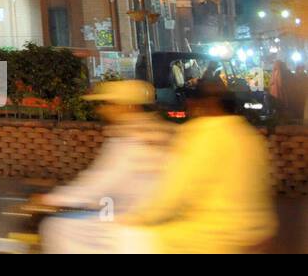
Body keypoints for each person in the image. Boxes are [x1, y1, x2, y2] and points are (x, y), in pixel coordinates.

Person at [116, 78, 277, 253]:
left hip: (214, 238)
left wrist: (141, 218)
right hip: (257, 232)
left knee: (136, 239)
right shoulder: (247, 134)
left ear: (199, 103)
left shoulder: (200, 134)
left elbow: (175, 190)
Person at [39, 79, 174, 253]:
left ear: (128, 106)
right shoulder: (160, 130)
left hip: (131, 225)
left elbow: (99, 185)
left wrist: (52, 200)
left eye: (108, 103)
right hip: (155, 218)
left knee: (57, 227)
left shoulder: (128, 138)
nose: (102, 109)